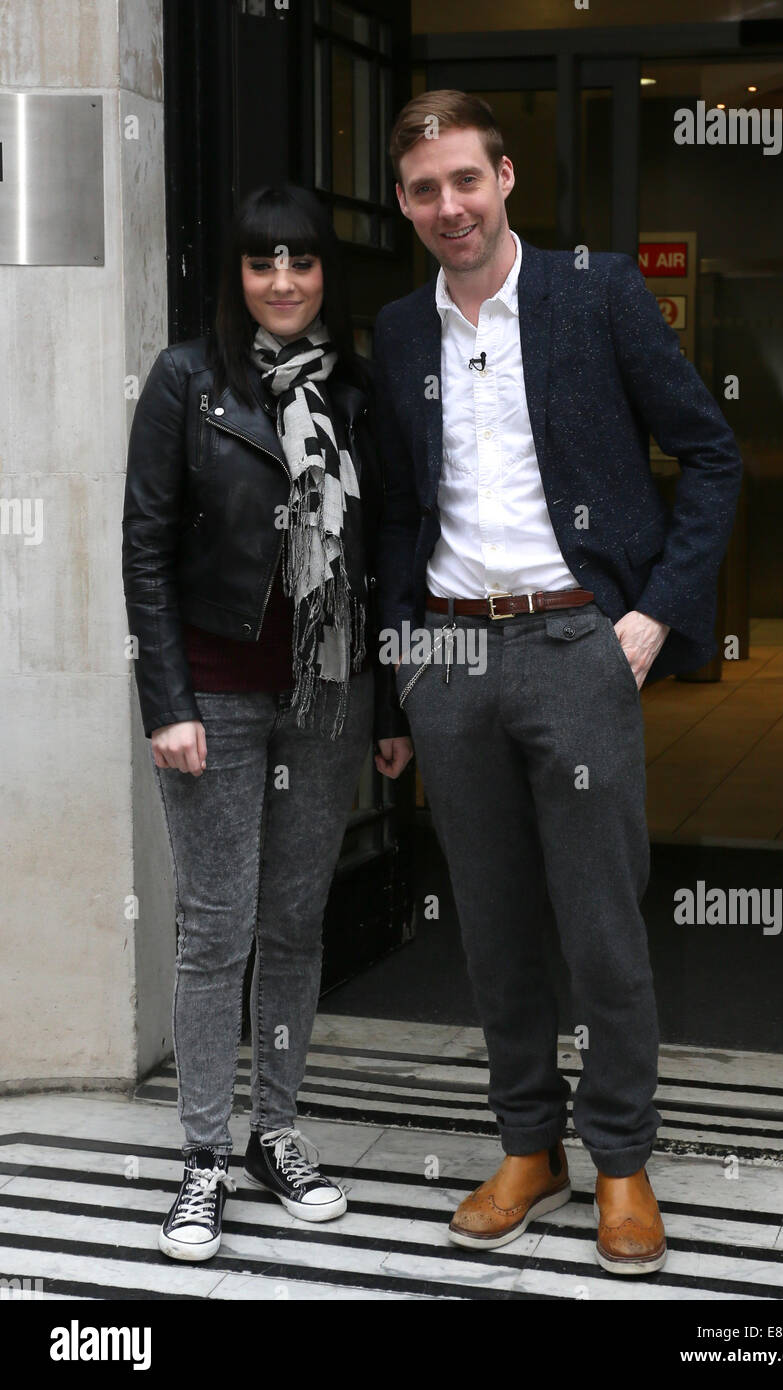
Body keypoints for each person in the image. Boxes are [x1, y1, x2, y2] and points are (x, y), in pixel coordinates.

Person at [373, 91, 742, 1275]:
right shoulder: (395, 332)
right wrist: (400, 675)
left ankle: (622, 1163)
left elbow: (711, 452)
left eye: (465, 180)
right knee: (491, 931)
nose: (449, 207)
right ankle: (528, 1148)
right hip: (449, 654)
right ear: (403, 201)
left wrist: (647, 620)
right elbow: (390, 516)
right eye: (424, 188)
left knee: (598, 926)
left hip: (578, 644)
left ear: (506, 178)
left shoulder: (596, 294)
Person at [122, 183, 413, 1262]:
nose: (283, 282)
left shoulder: (359, 394)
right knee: (215, 928)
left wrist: (384, 702)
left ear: (325, 271)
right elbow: (144, 549)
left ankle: (274, 1132)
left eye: (300, 261)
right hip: (215, 696)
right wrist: (167, 703)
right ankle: (202, 1153)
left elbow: (383, 554)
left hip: (324, 697)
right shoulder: (187, 382)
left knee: (294, 925)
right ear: (235, 275)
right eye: (261, 263)